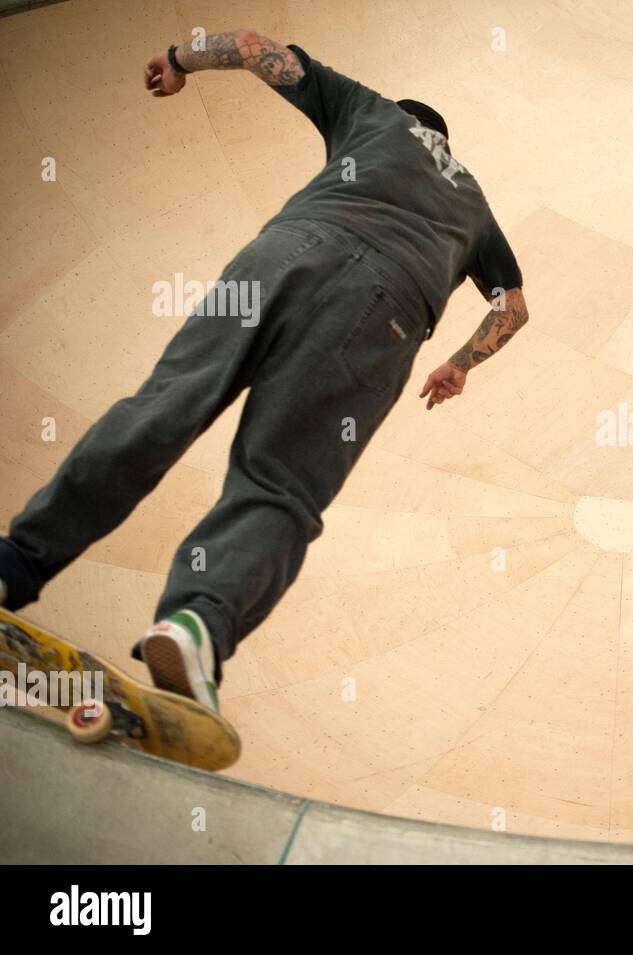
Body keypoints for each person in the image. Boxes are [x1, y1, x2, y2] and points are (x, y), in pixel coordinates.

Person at [0, 30, 528, 714]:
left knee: (165, 404)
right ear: (447, 145)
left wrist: (177, 59)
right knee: (281, 484)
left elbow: (252, 47)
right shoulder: (475, 204)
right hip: (386, 310)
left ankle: (17, 563)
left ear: (406, 116)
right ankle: (195, 624)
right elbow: (512, 307)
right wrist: (459, 363)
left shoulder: (370, 112)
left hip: (285, 255)